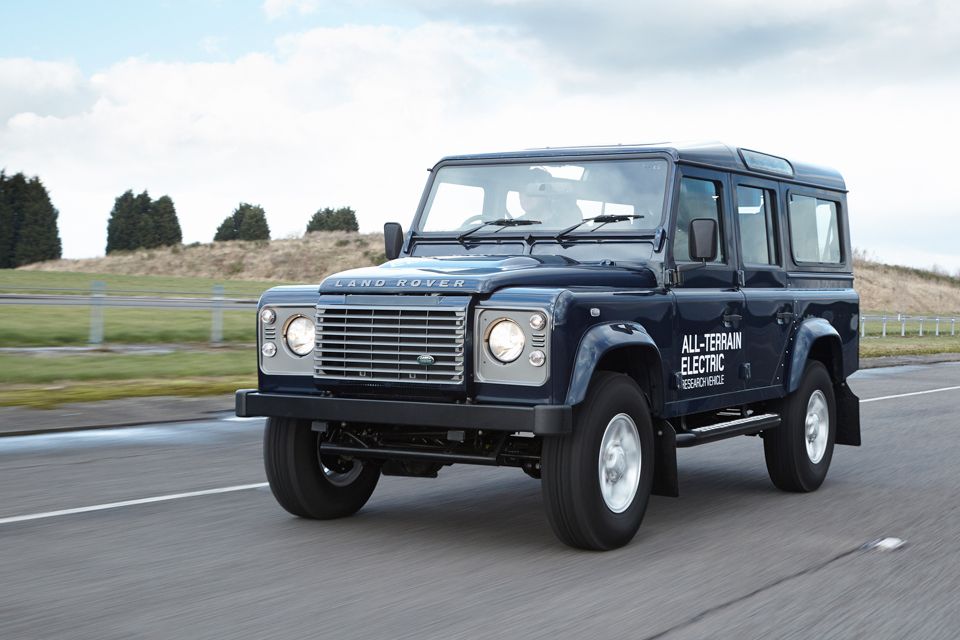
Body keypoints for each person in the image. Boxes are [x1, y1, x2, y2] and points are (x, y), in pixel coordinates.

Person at [516, 168, 582, 227]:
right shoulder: (511, 227)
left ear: (547, 193)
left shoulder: (567, 227)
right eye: (522, 190)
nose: (526, 195)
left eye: (532, 190)